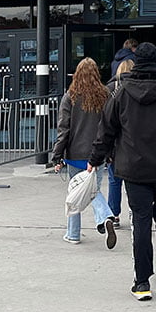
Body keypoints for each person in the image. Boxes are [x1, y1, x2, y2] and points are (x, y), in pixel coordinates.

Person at [90, 41, 156, 301]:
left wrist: (95, 158)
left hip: (133, 168)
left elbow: (106, 129)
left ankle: (141, 282)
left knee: (140, 221)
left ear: (135, 61)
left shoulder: (121, 92)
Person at [52, 58, 117, 247]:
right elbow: (111, 126)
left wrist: (57, 156)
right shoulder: (106, 95)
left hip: (75, 153)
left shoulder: (70, 96)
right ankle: (105, 217)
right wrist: (110, 151)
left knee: (76, 191)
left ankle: (74, 233)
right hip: (98, 151)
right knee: (92, 190)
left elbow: (63, 129)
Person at [105, 57, 135, 228]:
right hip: (132, 141)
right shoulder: (137, 88)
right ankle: (135, 212)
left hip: (115, 142)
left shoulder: (111, 89)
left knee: (114, 180)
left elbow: (105, 120)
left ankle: (113, 215)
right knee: (133, 181)